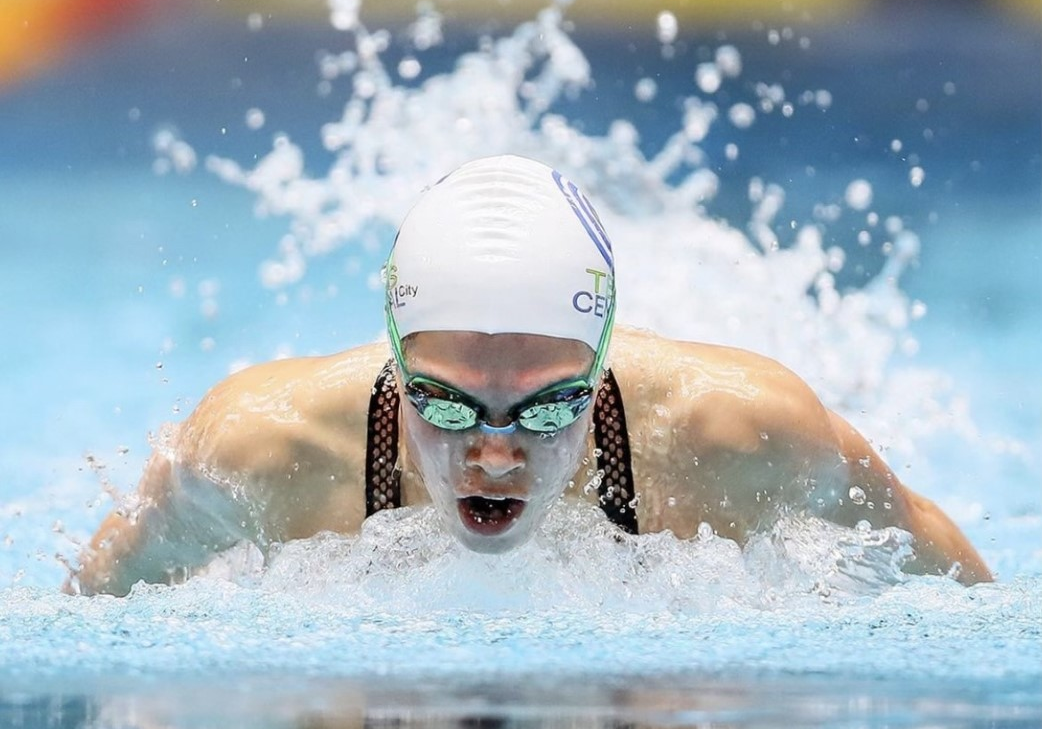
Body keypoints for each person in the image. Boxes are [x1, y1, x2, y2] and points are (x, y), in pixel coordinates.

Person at [71, 154, 992, 596]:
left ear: (599, 375)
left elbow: (962, 601)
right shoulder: (259, 447)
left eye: (550, 407)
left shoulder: (745, 435)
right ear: (394, 364)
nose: (497, 453)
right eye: (445, 402)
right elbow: (93, 608)